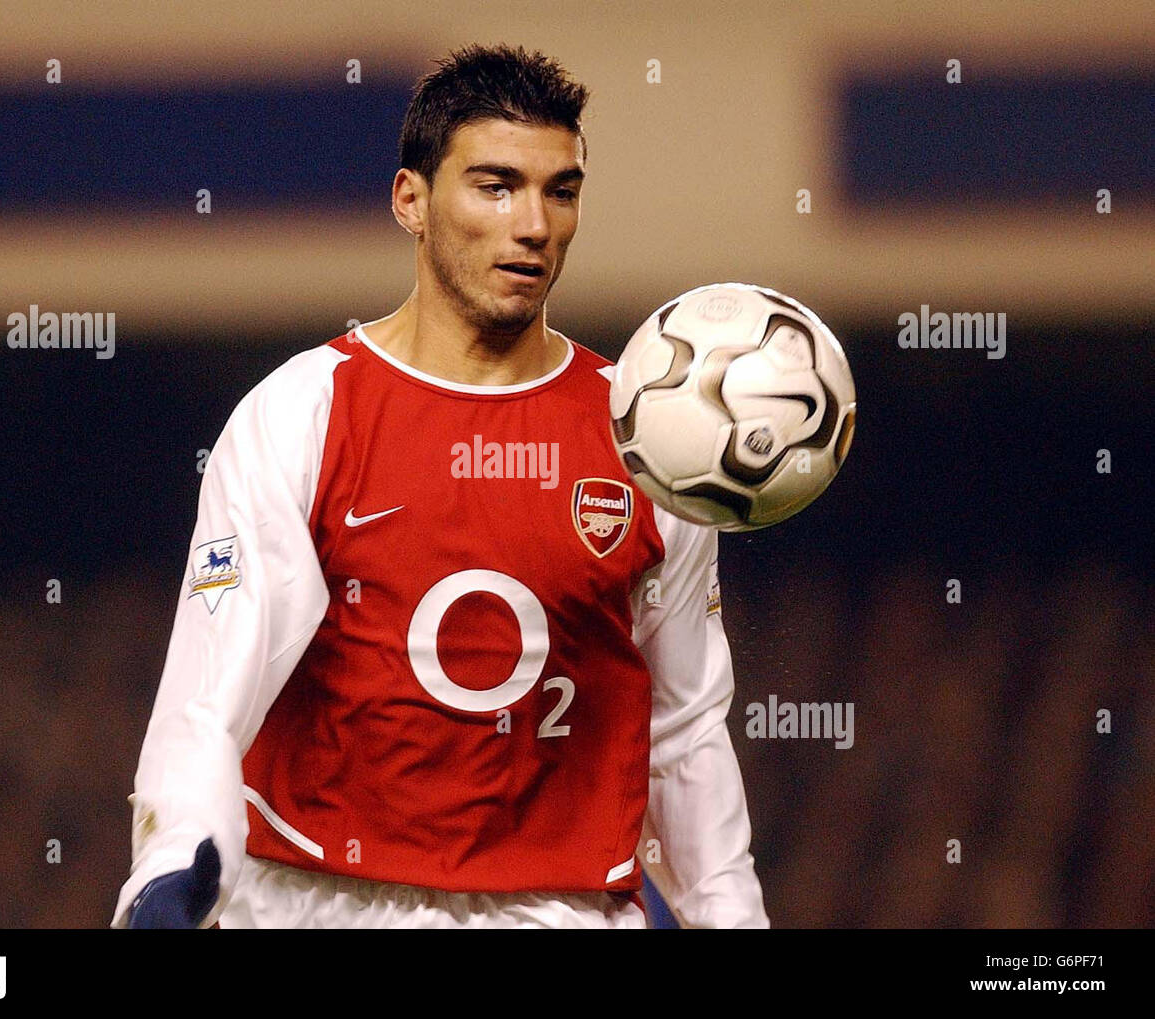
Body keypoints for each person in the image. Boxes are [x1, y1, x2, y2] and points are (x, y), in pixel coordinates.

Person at [112, 42, 767, 930]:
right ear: (410, 201)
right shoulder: (304, 415)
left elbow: (685, 731)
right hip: (312, 902)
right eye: (495, 186)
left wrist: (731, 916)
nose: (533, 223)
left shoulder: (646, 436)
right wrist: (170, 867)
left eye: (559, 190)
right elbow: (208, 694)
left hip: (558, 909)